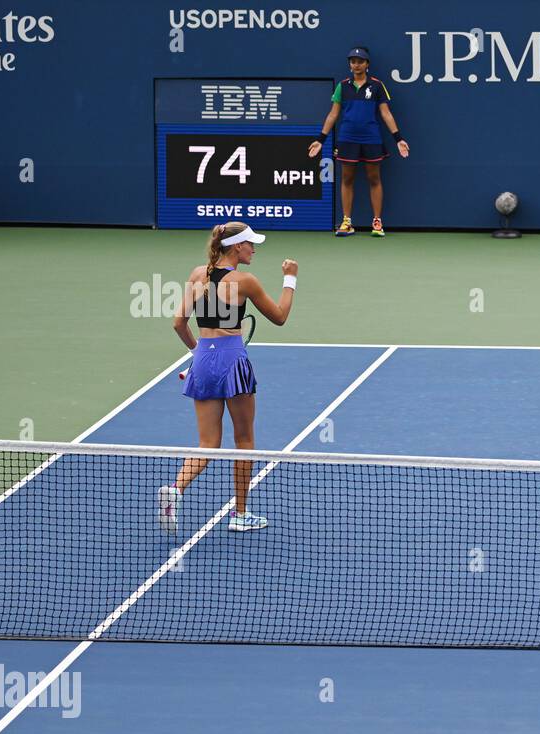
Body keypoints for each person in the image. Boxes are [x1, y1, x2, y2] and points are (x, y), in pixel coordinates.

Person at [161, 222, 297, 533]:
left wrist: (198, 353)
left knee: (207, 443)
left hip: (204, 360)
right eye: (250, 244)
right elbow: (279, 317)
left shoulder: (198, 274)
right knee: (244, 440)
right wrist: (290, 278)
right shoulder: (245, 281)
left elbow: (179, 324)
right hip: (233, 361)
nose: (254, 249)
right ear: (236, 247)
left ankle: (176, 490)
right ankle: (240, 514)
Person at [309, 45, 410, 237]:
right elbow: (333, 115)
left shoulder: (377, 86)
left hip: (371, 138)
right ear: (350, 64)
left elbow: (385, 113)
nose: (356, 65)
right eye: (353, 61)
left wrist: (398, 138)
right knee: (347, 179)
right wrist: (320, 139)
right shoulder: (343, 86)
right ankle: (347, 221)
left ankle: (377, 221)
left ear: (367, 64)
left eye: (360, 61)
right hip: (347, 138)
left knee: (374, 178)